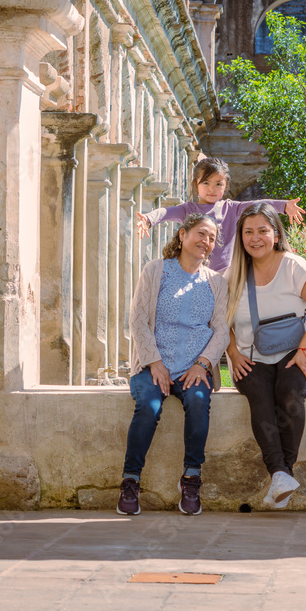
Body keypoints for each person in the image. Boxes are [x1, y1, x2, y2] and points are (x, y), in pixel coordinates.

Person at [117, 214, 229, 517]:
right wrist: (154, 362)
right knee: (149, 407)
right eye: (201, 234)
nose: (206, 242)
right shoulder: (155, 271)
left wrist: (202, 364)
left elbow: (221, 330)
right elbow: (138, 319)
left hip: (193, 368)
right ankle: (130, 481)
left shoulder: (216, 282)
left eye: (211, 238)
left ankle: (192, 479)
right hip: (153, 365)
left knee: (197, 401)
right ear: (182, 235)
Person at [225, 202, 306, 508]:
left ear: (276, 234)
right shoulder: (232, 275)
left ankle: (281, 474)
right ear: (240, 236)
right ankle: (281, 474)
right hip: (251, 358)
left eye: (262, 230)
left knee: (288, 393)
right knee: (259, 395)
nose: (255, 238)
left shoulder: (294, 266)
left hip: (298, 354)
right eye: (248, 232)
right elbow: (220, 320)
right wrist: (232, 352)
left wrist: (304, 349)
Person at [136, 156, 305, 273]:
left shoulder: (231, 208)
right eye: (206, 183)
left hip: (226, 276)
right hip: (195, 272)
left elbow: (257, 204)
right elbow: (166, 212)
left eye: (218, 184)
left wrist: (283, 206)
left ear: (226, 186)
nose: (212, 189)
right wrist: (148, 219)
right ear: (196, 184)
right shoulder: (188, 209)